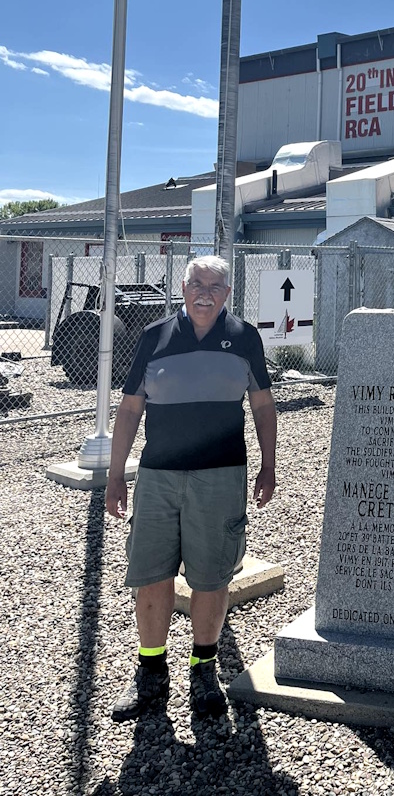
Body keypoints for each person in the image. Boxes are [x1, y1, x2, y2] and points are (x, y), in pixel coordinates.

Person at [105, 255, 277, 721]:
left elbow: (262, 405)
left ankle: (204, 670)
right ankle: (151, 676)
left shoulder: (245, 338)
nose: (205, 292)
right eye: (196, 283)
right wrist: (116, 473)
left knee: (211, 576)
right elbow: (128, 410)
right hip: (158, 476)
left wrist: (269, 465)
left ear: (227, 293)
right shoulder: (153, 337)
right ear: (182, 288)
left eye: (215, 286)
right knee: (151, 576)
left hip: (221, 476)